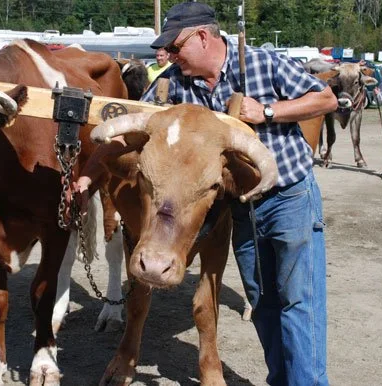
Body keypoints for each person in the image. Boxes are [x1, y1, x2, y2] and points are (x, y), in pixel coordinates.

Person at [76, 2, 337, 385]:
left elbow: (326, 100)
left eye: (175, 47)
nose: (168, 55)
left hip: (287, 199)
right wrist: (88, 177)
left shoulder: (265, 63)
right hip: (239, 209)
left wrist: (266, 111)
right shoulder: (172, 84)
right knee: (262, 302)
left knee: (299, 302)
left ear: (202, 36)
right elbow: (135, 126)